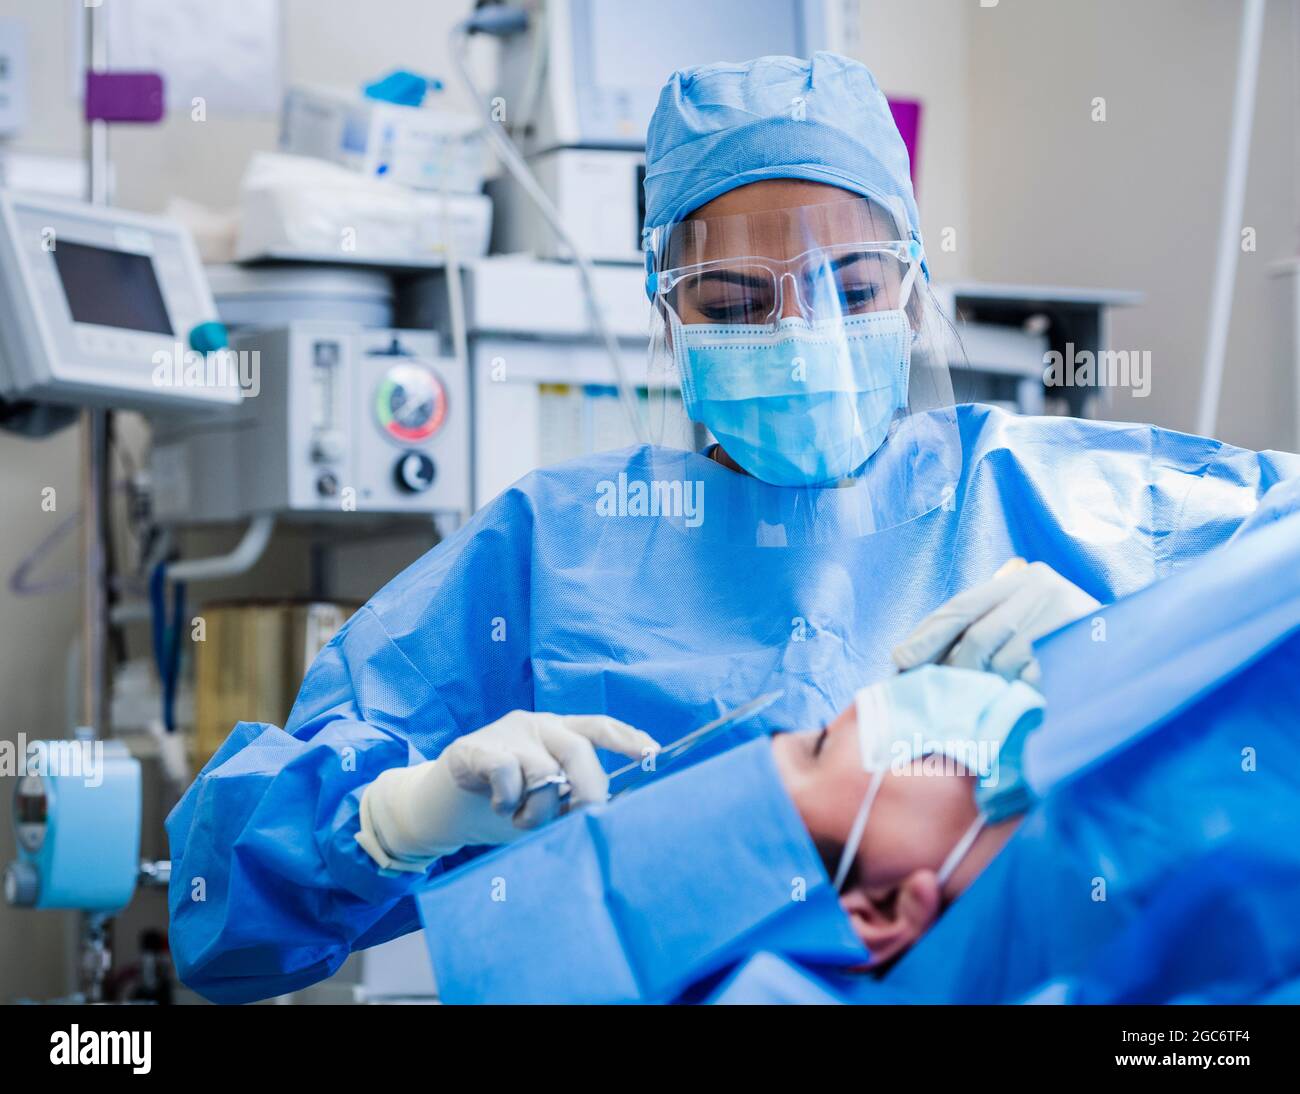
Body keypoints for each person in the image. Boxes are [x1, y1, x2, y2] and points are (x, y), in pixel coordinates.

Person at [167, 52, 1300, 1004]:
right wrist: (397, 817)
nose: (804, 332)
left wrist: (1141, 638)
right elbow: (220, 916)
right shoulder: (552, 555)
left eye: (853, 287)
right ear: (666, 305)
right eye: (739, 305)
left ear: (910, 285)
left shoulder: (1073, 502)